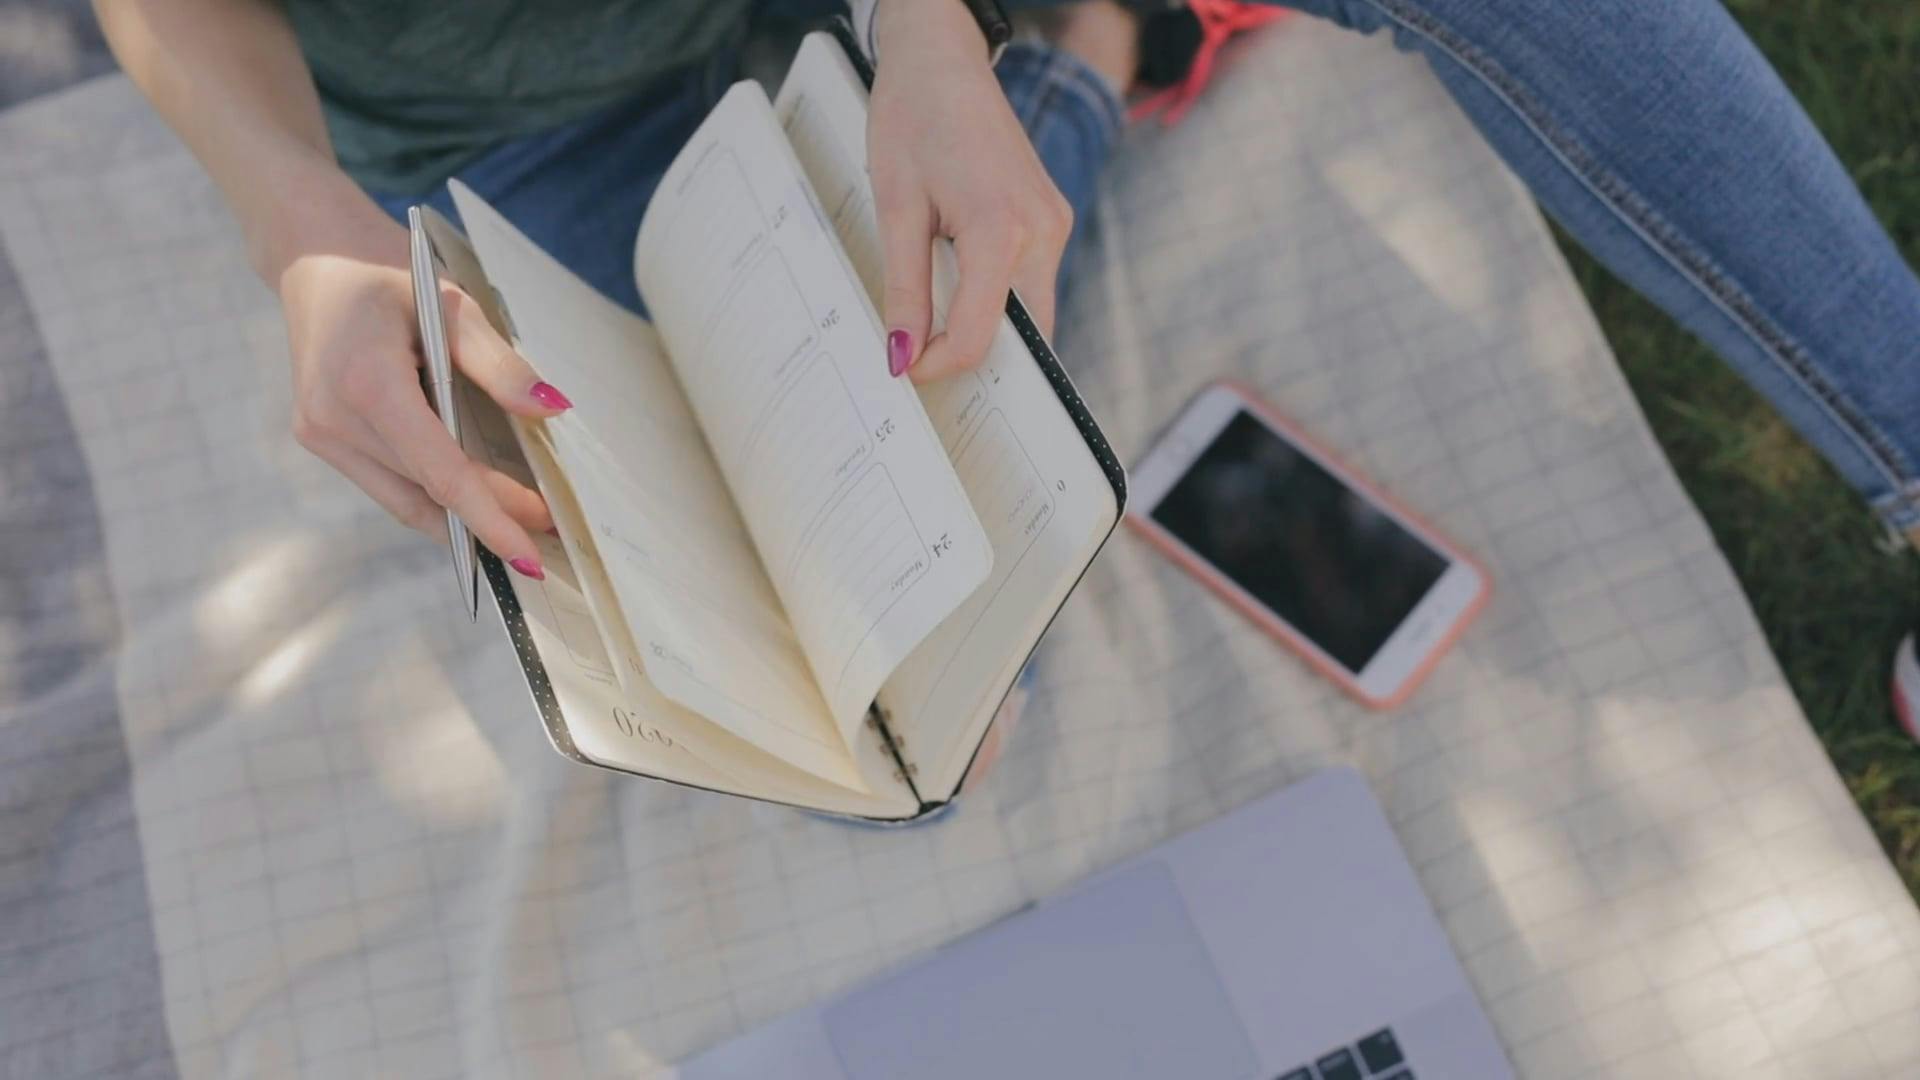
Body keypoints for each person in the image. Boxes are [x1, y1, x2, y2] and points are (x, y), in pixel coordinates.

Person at [96, 0, 1920, 727]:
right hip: (549, 110)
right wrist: (304, 233)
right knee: (897, 654)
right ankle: (1103, 42)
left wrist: (927, 35)